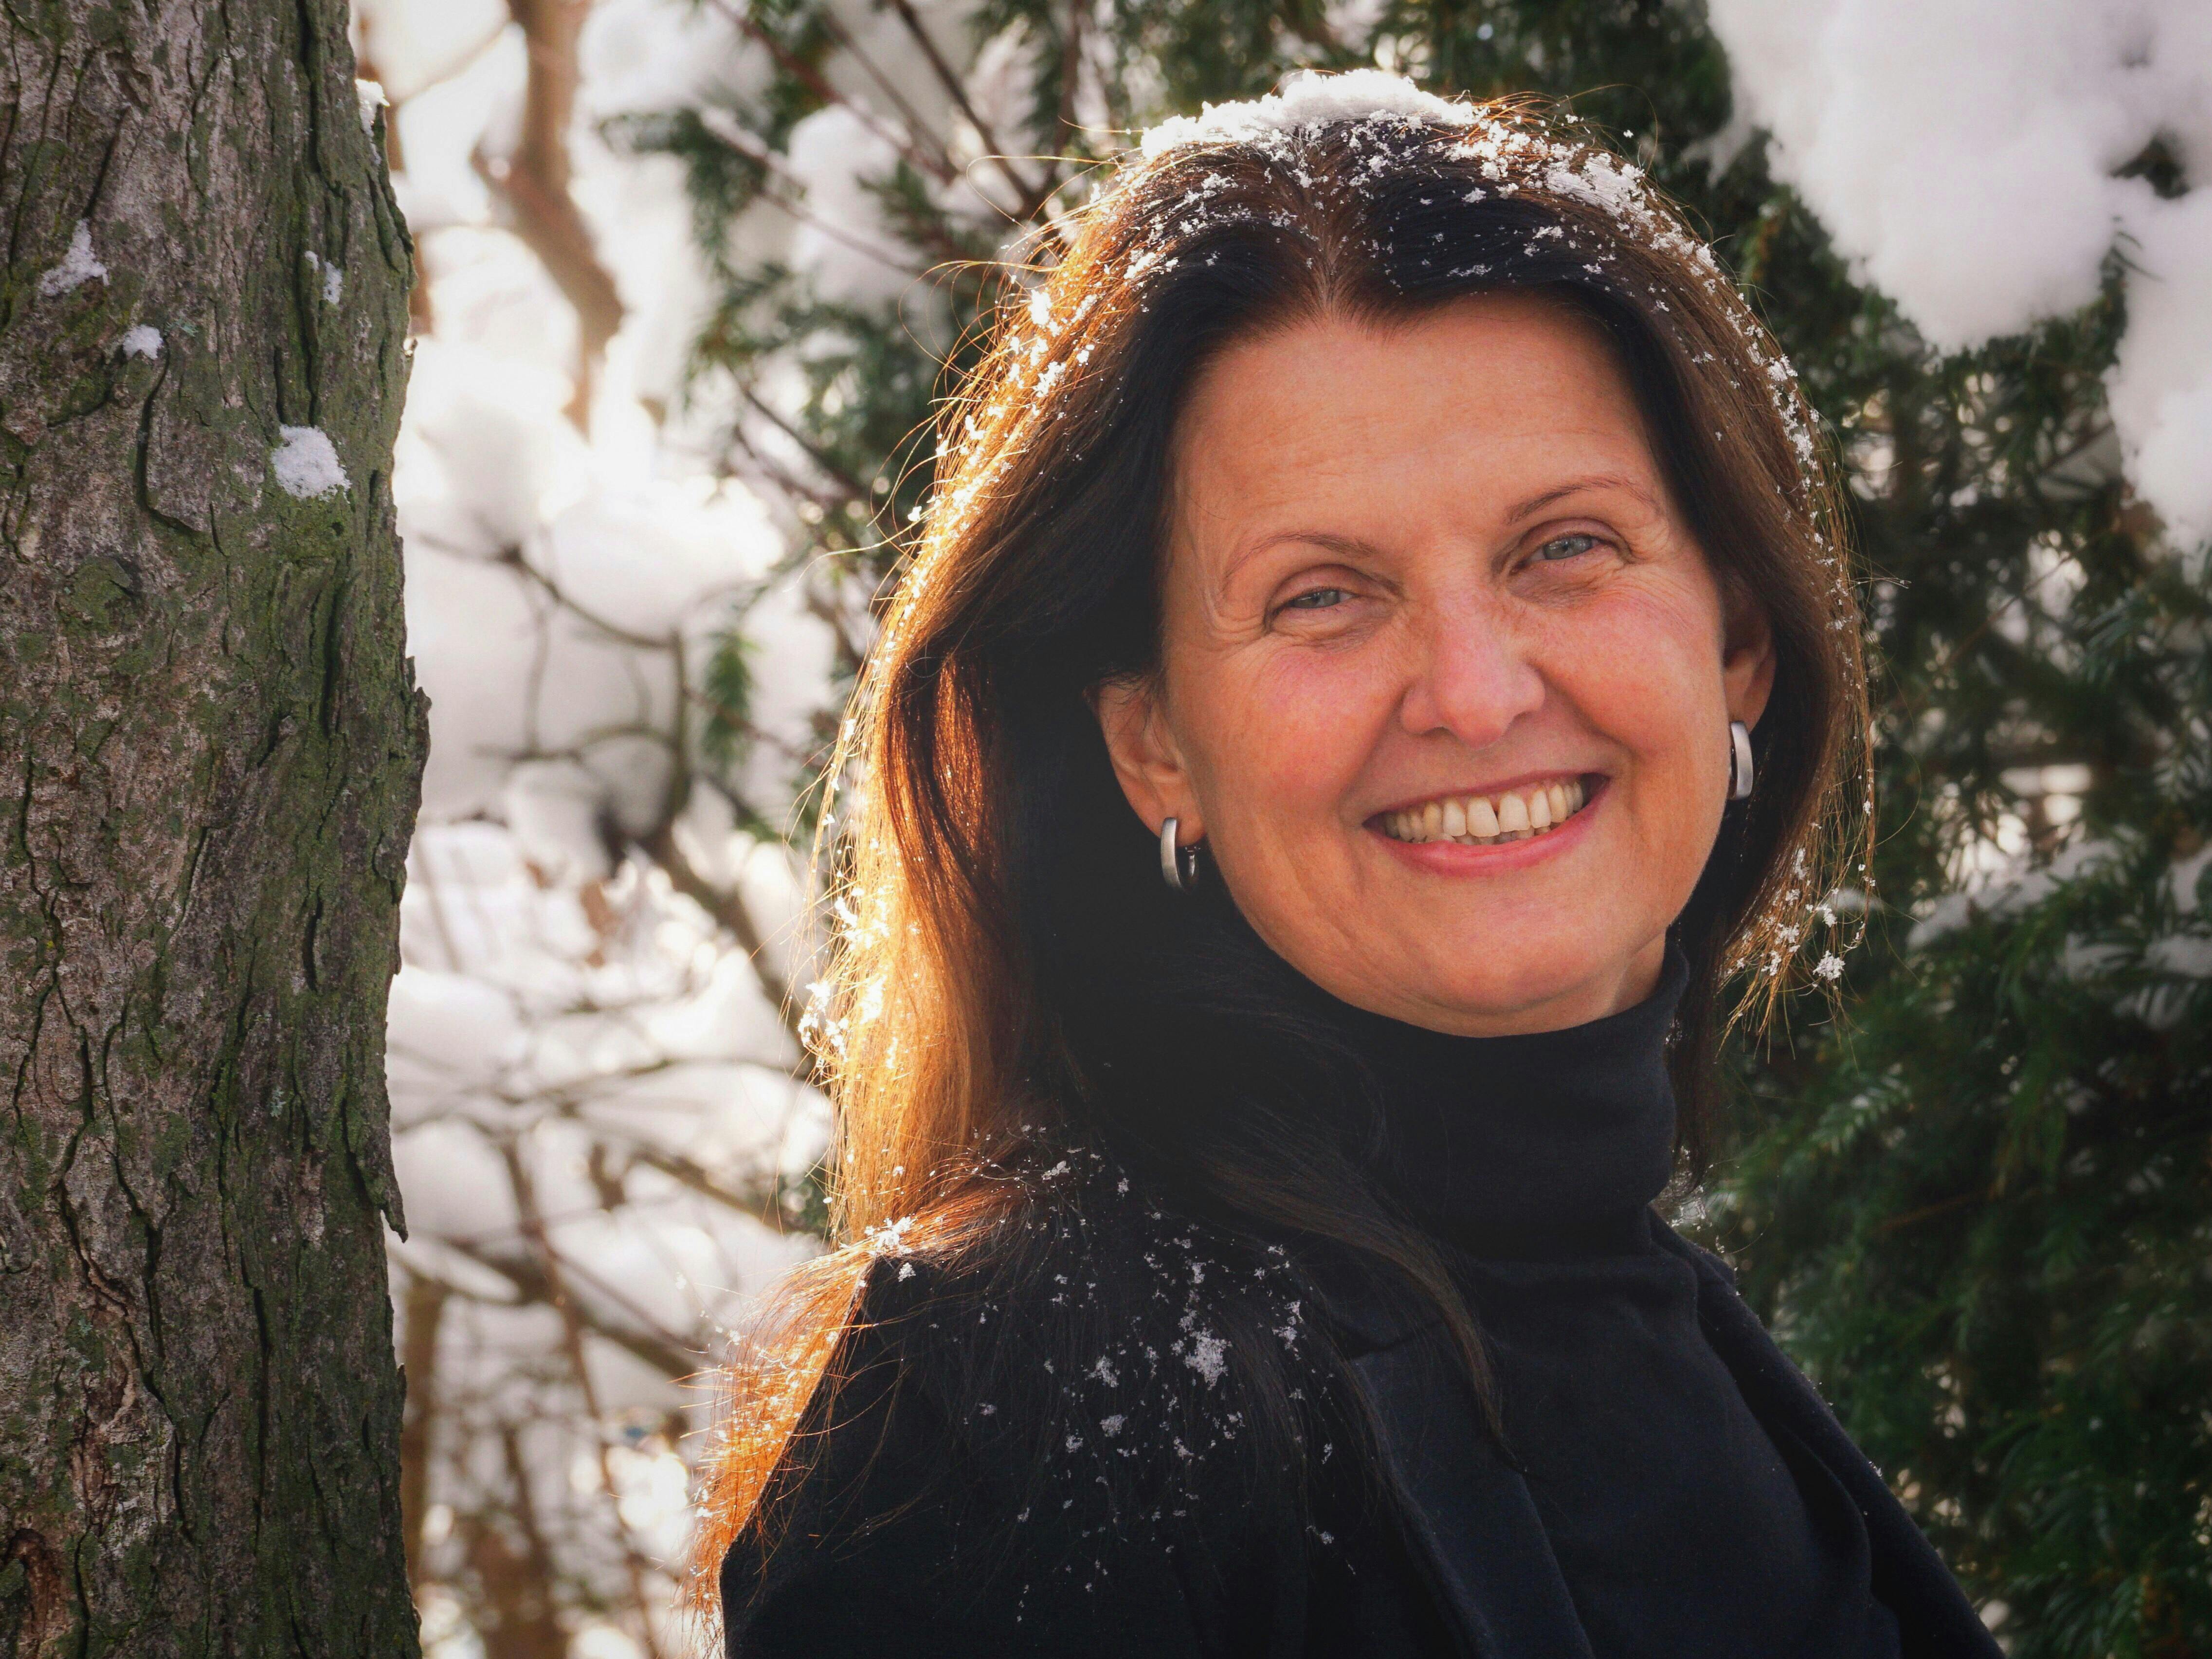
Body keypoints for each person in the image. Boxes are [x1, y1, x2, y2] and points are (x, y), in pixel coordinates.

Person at [700, 72, 2003, 1657]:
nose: (1474, 690)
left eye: (1564, 548)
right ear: (1153, 740)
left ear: (1733, 634)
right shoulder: (1017, 1394)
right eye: (1322, 594)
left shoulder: (1642, 1309)